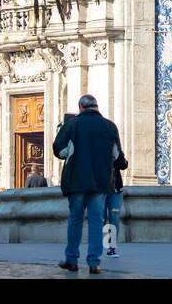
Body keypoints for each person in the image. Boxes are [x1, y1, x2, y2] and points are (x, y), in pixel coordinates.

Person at [52, 94, 123, 274]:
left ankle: (72, 259)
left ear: (81, 107)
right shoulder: (109, 126)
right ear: (96, 107)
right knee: (96, 220)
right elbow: (116, 155)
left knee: (75, 219)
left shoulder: (72, 124)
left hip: (76, 180)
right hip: (101, 182)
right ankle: (94, 262)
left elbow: (59, 150)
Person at [104, 142, 128, 258]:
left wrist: (116, 153)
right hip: (100, 189)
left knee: (114, 217)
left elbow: (123, 165)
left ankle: (111, 247)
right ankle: (103, 243)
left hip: (115, 189)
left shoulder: (116, 149)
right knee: (101, 217)